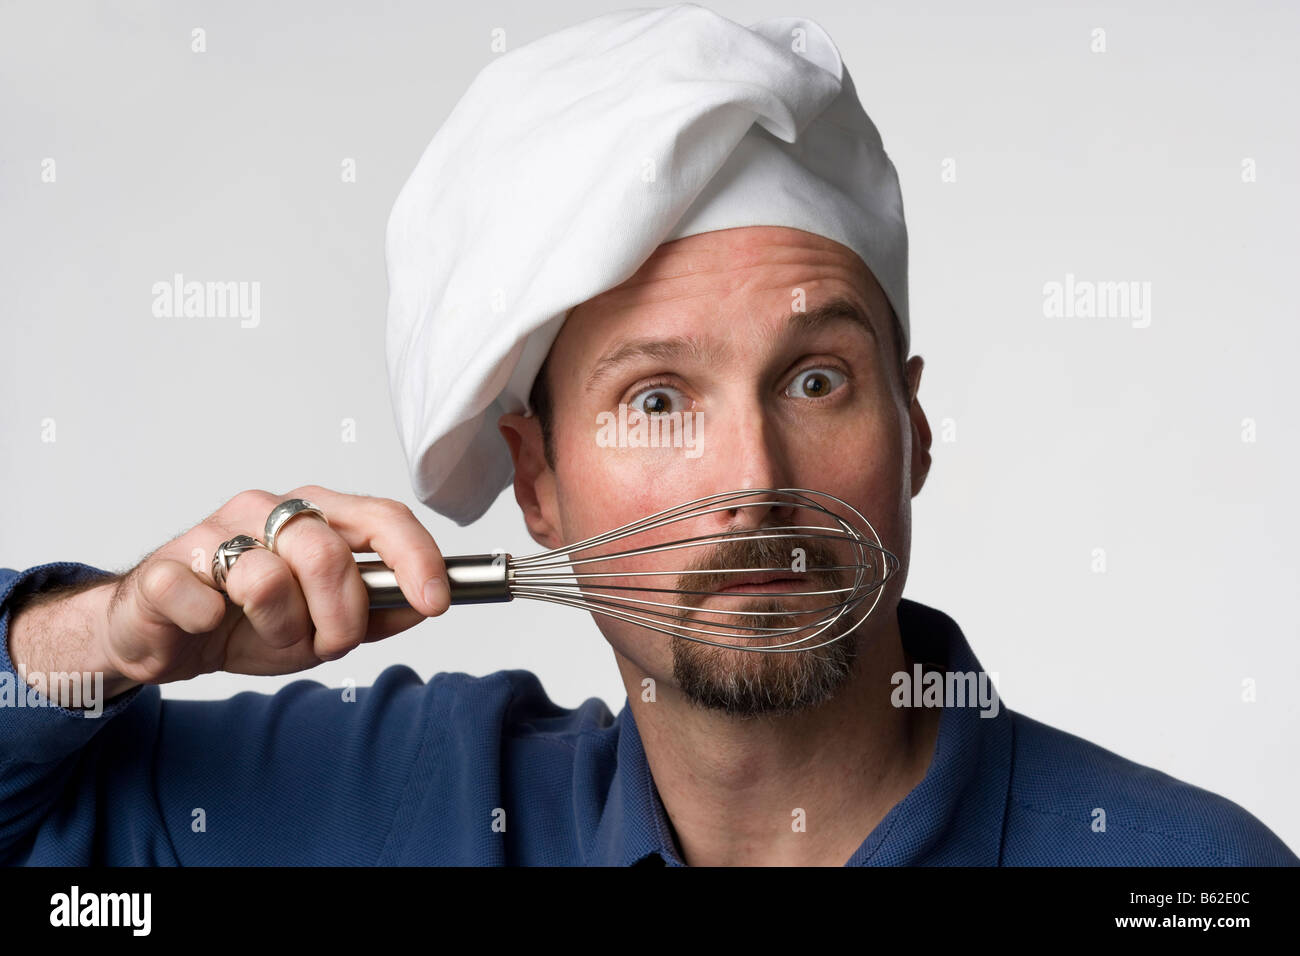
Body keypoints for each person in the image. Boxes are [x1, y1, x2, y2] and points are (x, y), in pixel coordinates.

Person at [2, 4, 1294, 866]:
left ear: (914, 430)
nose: (754, 482)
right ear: (537, 483)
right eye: (660, 399)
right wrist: (96, 639)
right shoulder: (412, 808)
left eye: (815, 382)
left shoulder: (1189, 877)